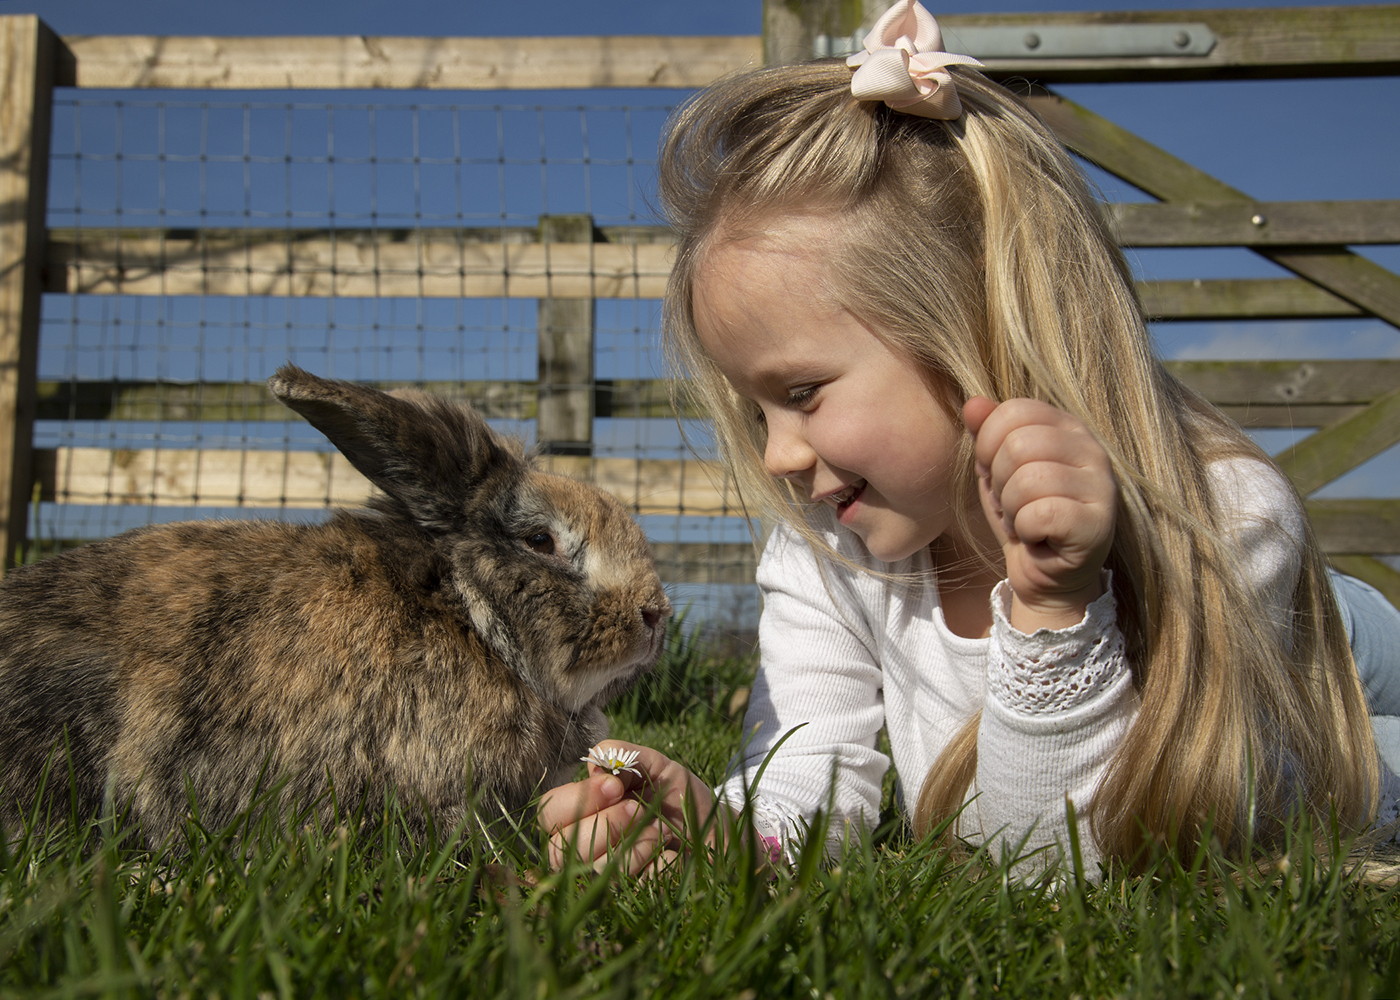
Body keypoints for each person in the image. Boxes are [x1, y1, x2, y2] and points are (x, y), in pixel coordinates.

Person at [538, 0, 1400, 875]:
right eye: (759, 413)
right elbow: (808, 762)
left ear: (974, 328)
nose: (778, 457)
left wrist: (1055, 613)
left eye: (802, 393)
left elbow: (1055, 866)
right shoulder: (827, 552)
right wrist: (733, 842)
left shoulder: (1226, 519)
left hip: (1303, 648)